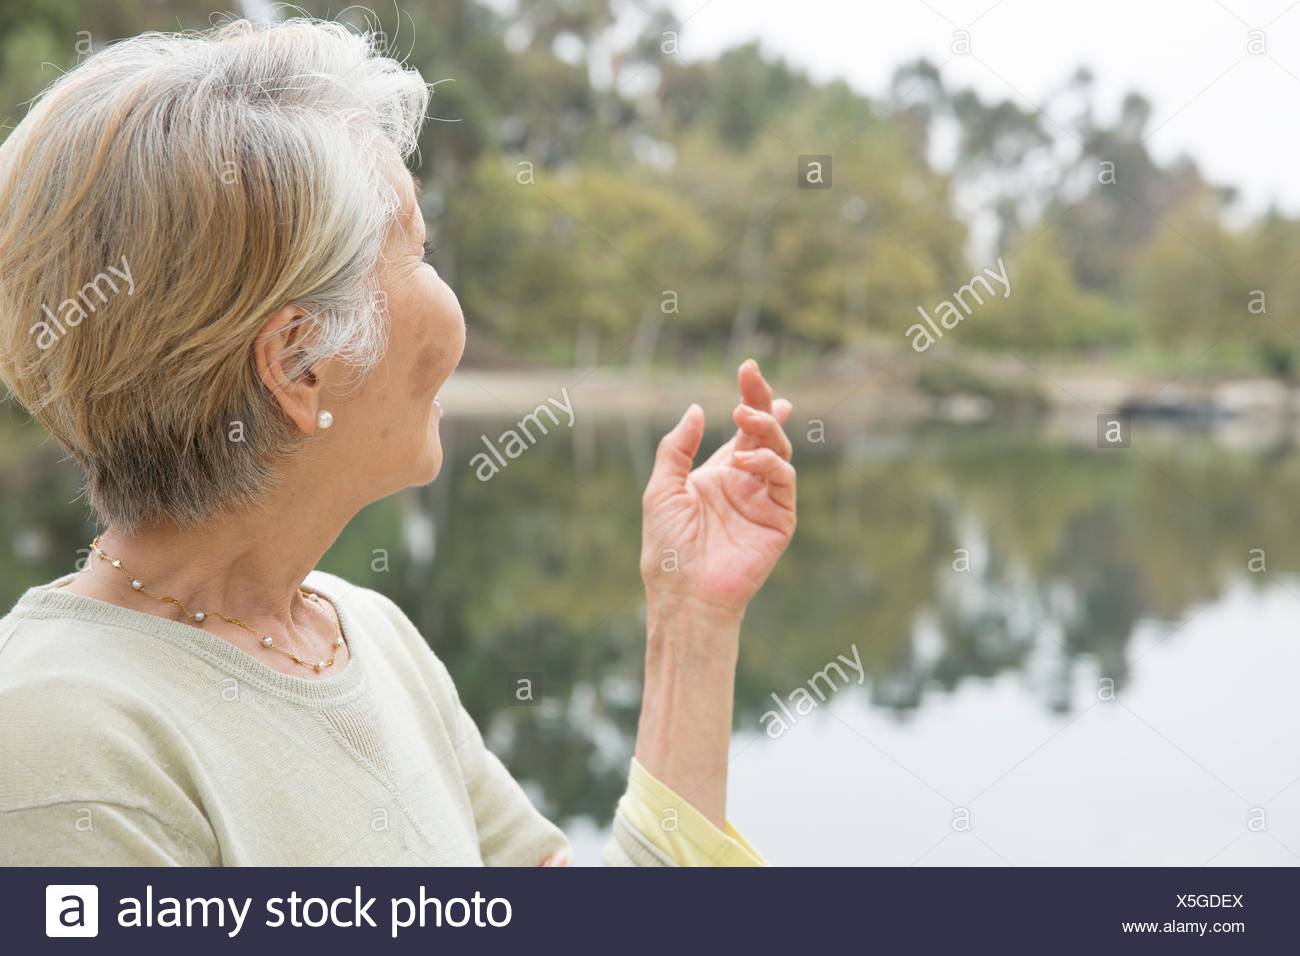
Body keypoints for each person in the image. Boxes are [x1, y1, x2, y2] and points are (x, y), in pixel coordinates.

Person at [0, 18, 796, 866]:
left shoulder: (367, 635)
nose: (452, 309)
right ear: (299, 365)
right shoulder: (61, 741)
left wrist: (691, 622)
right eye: (418, 252)